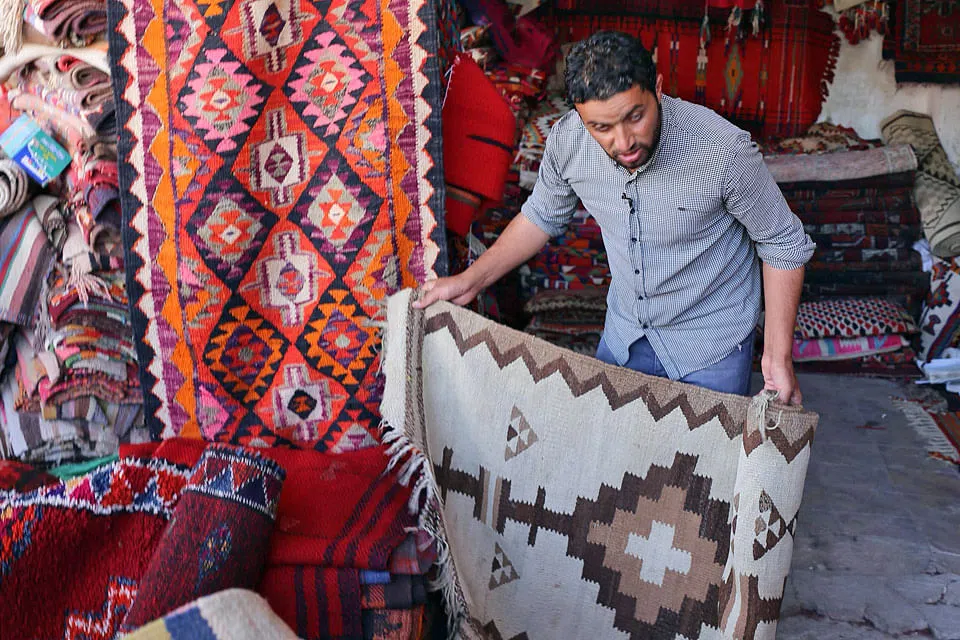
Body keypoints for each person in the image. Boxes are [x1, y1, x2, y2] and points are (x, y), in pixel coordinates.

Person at [416, 30, 815, 404]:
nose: (623, 142)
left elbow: (783, 244)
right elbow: (541, 215)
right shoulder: (568, 141)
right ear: (579, 116)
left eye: (635, 117)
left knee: (704, 475)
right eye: (601, 127)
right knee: (613, 470)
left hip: (710, 348)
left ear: (657, 88)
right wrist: (470, 281)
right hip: (624, 337)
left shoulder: (722, 151)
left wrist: (778, 357)